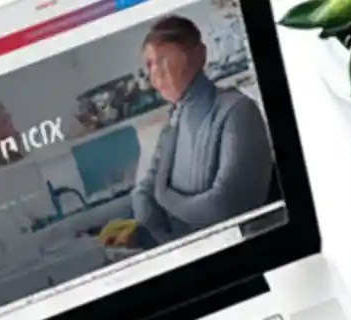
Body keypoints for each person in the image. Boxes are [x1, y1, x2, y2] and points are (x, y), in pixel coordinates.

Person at [101, 15, 274, 249]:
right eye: (149, 65)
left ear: (199, 55)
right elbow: (145, 191)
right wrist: (149, 226)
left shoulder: (237, 111)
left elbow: (224, 208)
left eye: (162, 60)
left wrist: (164, 197)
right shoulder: (174, 121)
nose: (155, 75)